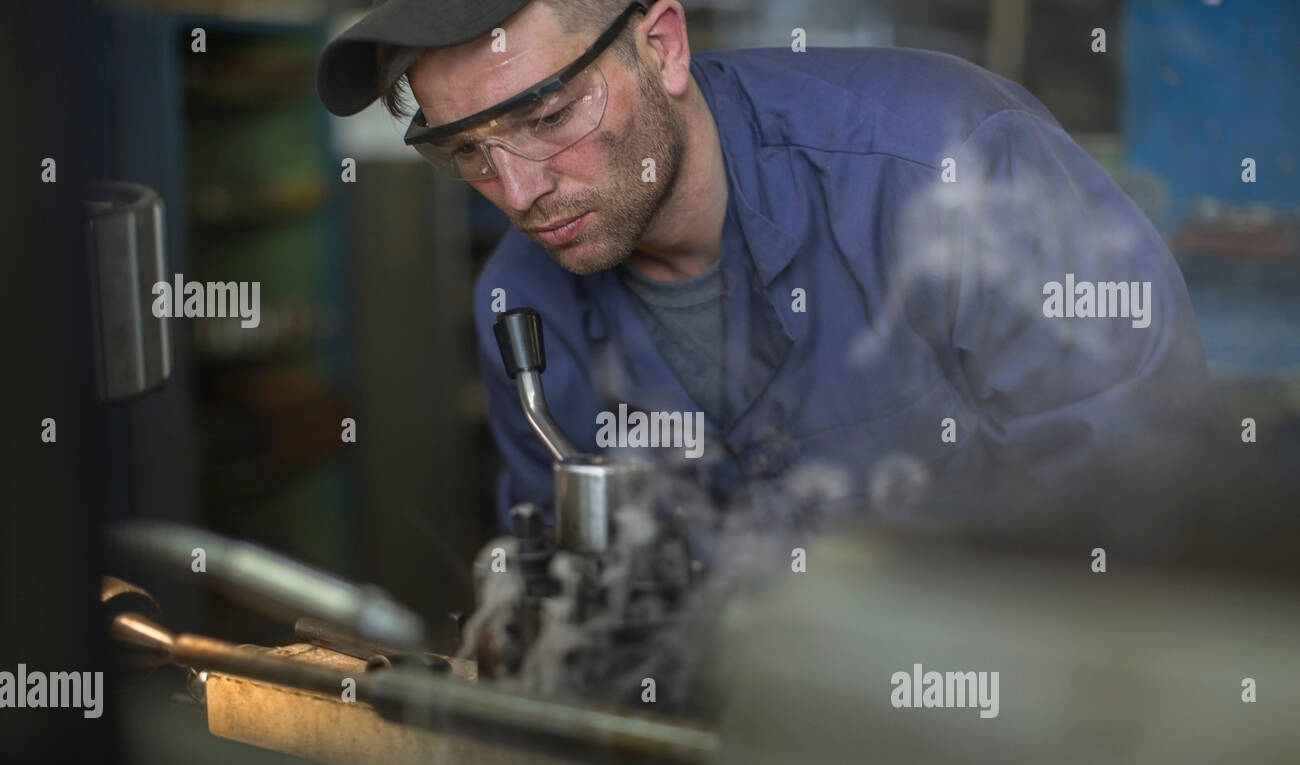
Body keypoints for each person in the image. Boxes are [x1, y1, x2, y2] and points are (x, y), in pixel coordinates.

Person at [317, 0, 1219, 534]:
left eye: (551, 116)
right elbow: (571, 583)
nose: (517, 190)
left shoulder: (945, 163)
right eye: (465, 149)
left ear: (661, 45)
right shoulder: (522, 308)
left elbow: (1143, 492)